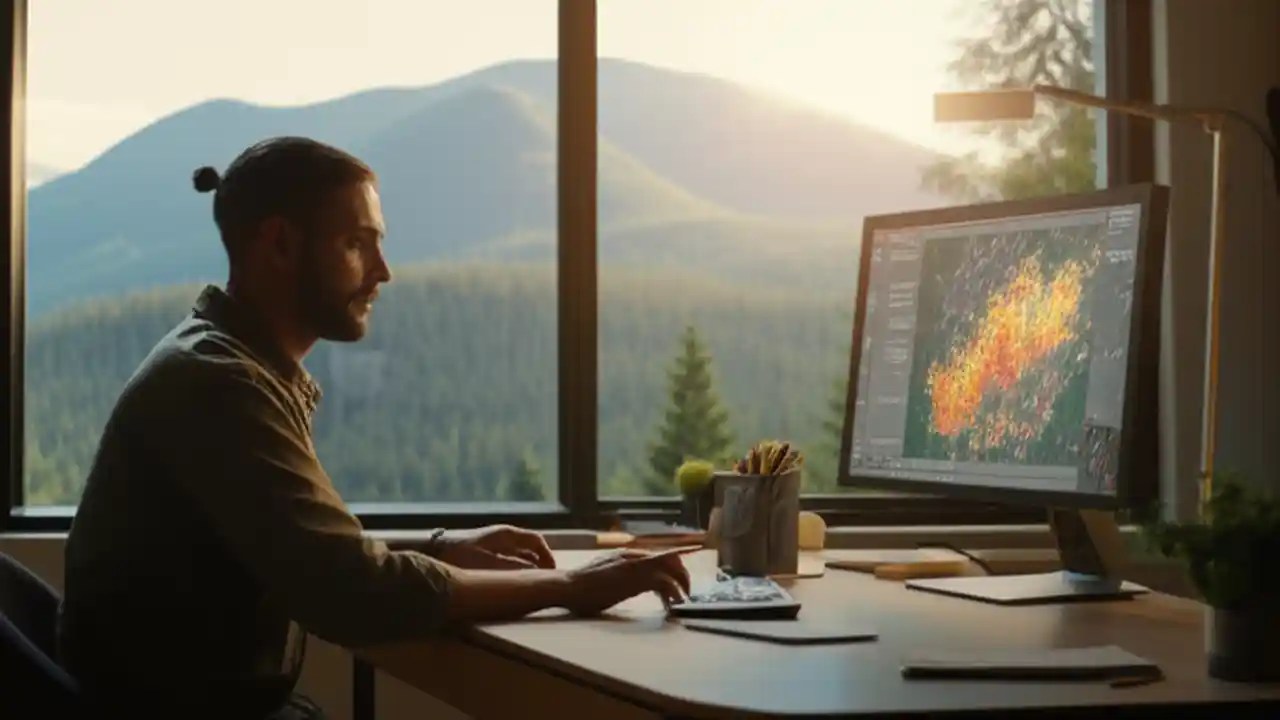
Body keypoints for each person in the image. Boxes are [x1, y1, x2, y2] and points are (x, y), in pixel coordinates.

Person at [58, 136, 691, 719]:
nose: (383, 271)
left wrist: (440, 547)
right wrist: (572, 586)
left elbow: (316, 552)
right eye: (357, 243)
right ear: (278, 244)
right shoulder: (220, 384)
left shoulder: (225, 361)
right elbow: (352, 591)